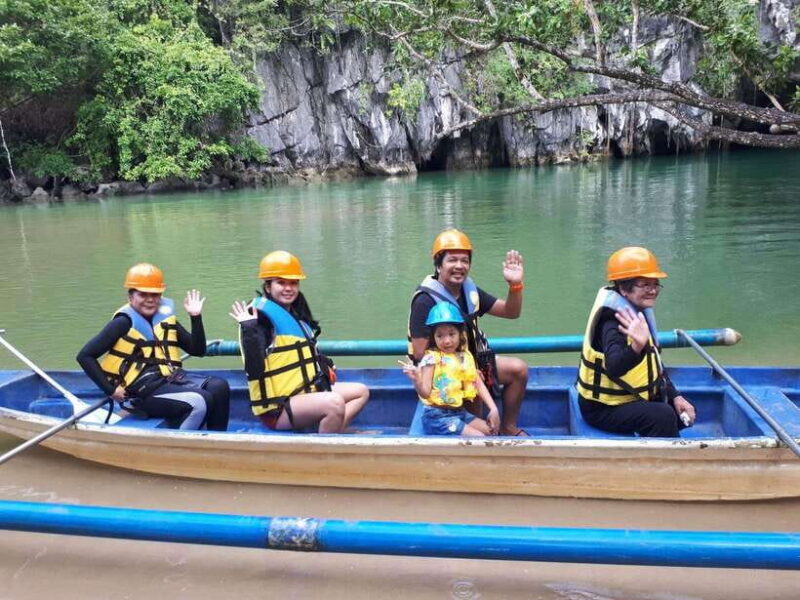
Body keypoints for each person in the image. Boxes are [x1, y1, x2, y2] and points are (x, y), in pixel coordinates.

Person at [77, 263, 230, 430]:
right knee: (200, 401)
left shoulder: (163, 319)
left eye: (155, 295)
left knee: (219, 387)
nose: (150, 300)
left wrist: (195, 317)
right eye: (143, 294)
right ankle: (182, 449)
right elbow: (85, 356)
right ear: (130, 297)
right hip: (141, 393)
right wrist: (111, 390)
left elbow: (197, 350)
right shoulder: (122, 323)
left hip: (170, 379)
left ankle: (217, 440)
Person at [229, 251, 369, 433]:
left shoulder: (295, 315)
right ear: (268, 287)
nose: (289, 288)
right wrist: (249, 329)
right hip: (278, 408)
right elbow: (254, 369)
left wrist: (323, 366)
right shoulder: (259, 318)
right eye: (281, 282)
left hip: (305, 393)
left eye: (293, 283)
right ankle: (322, 455)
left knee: (361, 392)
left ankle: (333, 432)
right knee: (334, 403)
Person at [407, 229, 528, 436]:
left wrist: (515, 285)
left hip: (470, 360)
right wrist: (461, 368)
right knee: (474, 385)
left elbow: (511, 312)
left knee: (519, 369)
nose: (459, 266)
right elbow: (420, 353)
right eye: (452, 260)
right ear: (438, 264)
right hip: (440, 371)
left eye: (464, 261)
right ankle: (474, 431)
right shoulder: (425, 300)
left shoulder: (468, 290)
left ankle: (508, 427)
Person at [576, 246, 696, 437]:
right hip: (603, 408)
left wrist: (675, 395)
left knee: (682, 411)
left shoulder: (638, 309)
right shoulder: (612, 321)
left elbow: (654, 362)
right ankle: (669, 462)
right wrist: (636, 347)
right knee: (663, 416)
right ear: (623, 288)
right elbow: (614, 366)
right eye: (645, 285)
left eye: (655, 284)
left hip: (626, 398)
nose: (653, 290)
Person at [401, 303, 500, 436]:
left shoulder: (464, 357)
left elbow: (476, 382)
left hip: (459, 412)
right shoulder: (430, 359)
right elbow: (425, 392)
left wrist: (493, 408)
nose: (446, 341)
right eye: (440, 336)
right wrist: (417, 380)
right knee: (479, 438)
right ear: (433, 337)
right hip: (437, 417)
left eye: (451, 334)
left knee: (491, 432)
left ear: (460, 334)